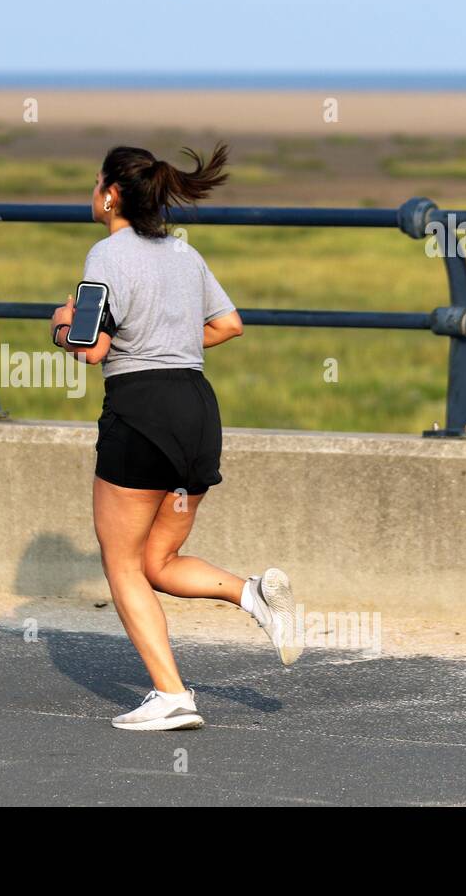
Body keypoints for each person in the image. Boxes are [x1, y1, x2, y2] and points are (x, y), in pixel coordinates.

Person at [50, 142, 302, 732]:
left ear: (112, 195)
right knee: (157, 561)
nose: (92, 193)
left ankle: (171, 694)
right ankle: (252, 594)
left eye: (96, 184)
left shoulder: (106, 255)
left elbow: (92, 350)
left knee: (122, 565)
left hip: (140, 416)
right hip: (197, 413)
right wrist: (171, 345)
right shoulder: (185, 255)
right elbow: (229, 325)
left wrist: (60, 326)